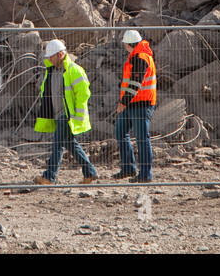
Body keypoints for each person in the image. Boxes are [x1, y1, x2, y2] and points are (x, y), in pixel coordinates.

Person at [32, 39, 98, 185]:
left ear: (61, 54)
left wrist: (76, 114)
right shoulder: (52, 71)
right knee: (70, 143)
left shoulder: (74, 70)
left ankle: (50, 176)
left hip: (67, 115)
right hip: (58, 115)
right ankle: (90, 172)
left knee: (57, 144)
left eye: (52, 56)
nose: (49, 59)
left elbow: (83, 93)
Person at [114, 28, 157, 183]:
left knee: (142, 139)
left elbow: (135, 83)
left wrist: (122, 103)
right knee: (121, 133)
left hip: (141, 104)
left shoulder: (140, 57)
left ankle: (145, 174)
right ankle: (128, 168)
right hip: (132, 103)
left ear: (127, 44)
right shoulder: (137, 55)